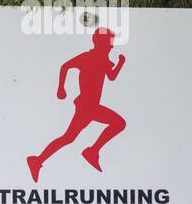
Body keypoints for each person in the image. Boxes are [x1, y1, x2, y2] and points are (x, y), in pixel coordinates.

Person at [27, 27, 126, 181]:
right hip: (86, 107)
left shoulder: (104, 61)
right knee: (116, 124)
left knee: (69, 137)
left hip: (92, 107)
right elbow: (65, 66)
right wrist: (61, 88)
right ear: (100, 43)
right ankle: (90, 152)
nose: (111, 46)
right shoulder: (86, 57)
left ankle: (39, 160)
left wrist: (120, 63)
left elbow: (111, 77)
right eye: (109, 43)